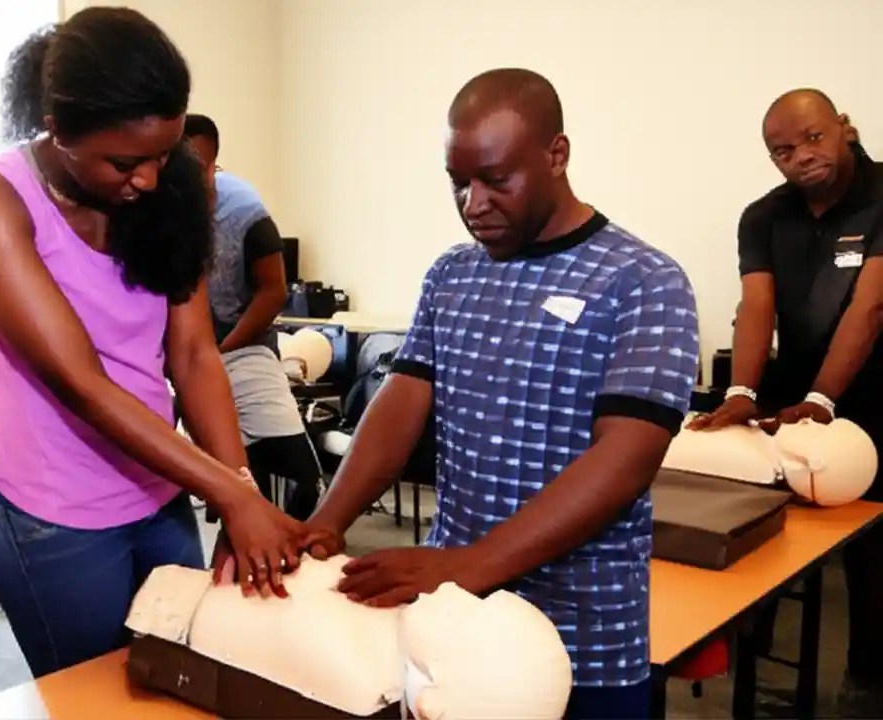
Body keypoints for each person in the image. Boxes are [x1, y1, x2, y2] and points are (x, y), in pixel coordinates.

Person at [301, 68, 700, 719]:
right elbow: (401, 404)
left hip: (584, 641)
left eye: (496, 180)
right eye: (458, 183)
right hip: (455, 631)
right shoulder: (452, 275)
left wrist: (467, 564)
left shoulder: (643, 281)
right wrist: (327, 520)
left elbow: (624, 461)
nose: (473, 204)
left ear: (557, 155)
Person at [0, 8, 308, 677]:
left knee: (174, 682)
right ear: (58, 127)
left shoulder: (166, 191)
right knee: (97, 698)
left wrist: (235, 487)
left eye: (162, 156)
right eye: (124, 161)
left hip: (160, 492)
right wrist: (233, 496)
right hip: (55, 519)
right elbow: (81, 384)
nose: (146, 178)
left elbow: (196, 355)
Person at [689, 88, 883, 714]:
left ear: (845, 128)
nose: (800, 156)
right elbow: (758, 308)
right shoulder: (764, 216)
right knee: (757, 516)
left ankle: (868, 673)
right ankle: (752, 644)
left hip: (875, 390)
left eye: (812, 138)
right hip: (796, 389)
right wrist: (743, 391)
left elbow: (871, 306)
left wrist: (827, 399)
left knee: (872, 550)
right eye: (781, 151)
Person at [182, 114, 324, 520]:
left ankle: (293, 552)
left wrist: (222, 349)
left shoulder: (244, 212)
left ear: (214, 164)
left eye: (203, 169)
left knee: (302, 480)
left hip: (241, 349)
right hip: (181, 361)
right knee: (234, 481)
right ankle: (241, 560)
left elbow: (275, 290)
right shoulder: (157, 209)